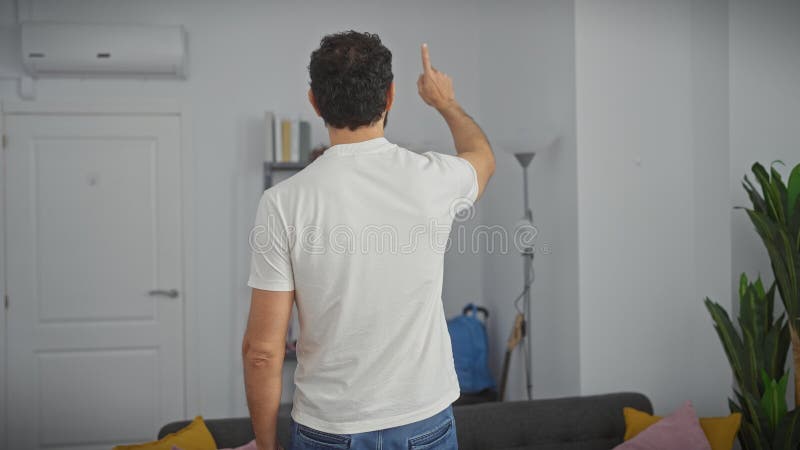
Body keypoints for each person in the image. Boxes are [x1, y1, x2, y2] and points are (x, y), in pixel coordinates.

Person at [242, 31, 495, 450]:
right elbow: (483, 158)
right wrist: (444, 102)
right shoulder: (432, 179)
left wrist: (268, 447)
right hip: (423, 425)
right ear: (391, 96)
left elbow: (262, 352)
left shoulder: (282, 203)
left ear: (314, 102)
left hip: (327, 430)